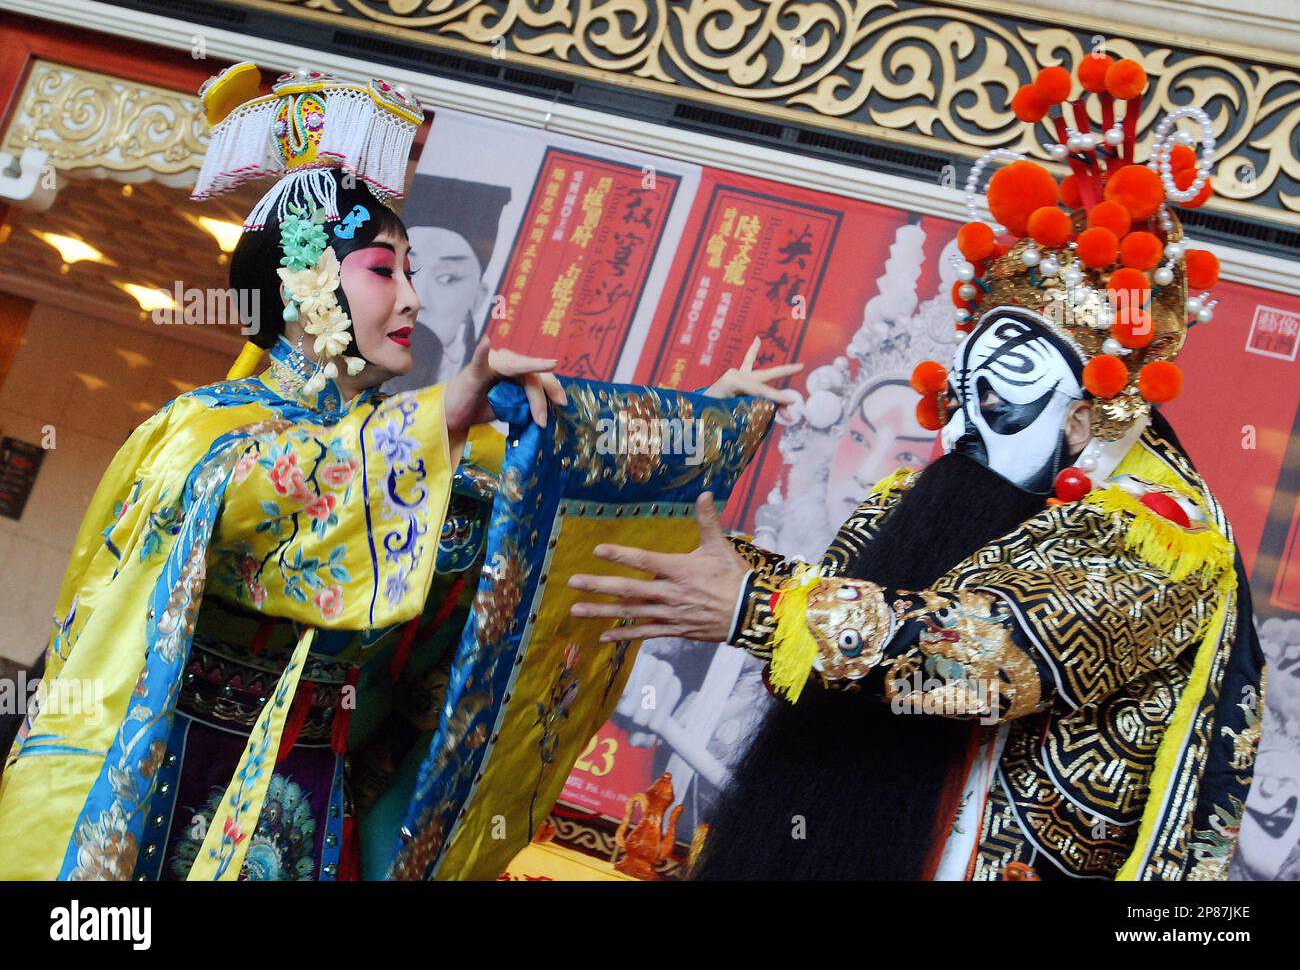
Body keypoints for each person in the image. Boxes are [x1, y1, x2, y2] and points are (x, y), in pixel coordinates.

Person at [569, 52, 1267, 880]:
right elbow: (831, 612)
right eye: (964, 375)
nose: (964, 410)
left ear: (1088, 412)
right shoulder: (933, 490)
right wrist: (712, 554)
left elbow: (984, 663)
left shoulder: (1159, 535)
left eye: (1006, 377)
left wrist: (754, 602)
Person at [0, 63, 568, 881]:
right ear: (306, 288)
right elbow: (268, 485)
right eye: (384, 270)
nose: (412, 299)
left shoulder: (389, 442)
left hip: (307, 809)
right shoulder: (207, 427)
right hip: (163, 795)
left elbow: (481, 518)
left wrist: (636, 442)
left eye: (410, 272)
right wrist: (442, 416)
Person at [383, 174, 513, 391]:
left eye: (447, 278)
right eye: (408, 271)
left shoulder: (492, 387)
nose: (417, 299)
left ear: (478, 298)